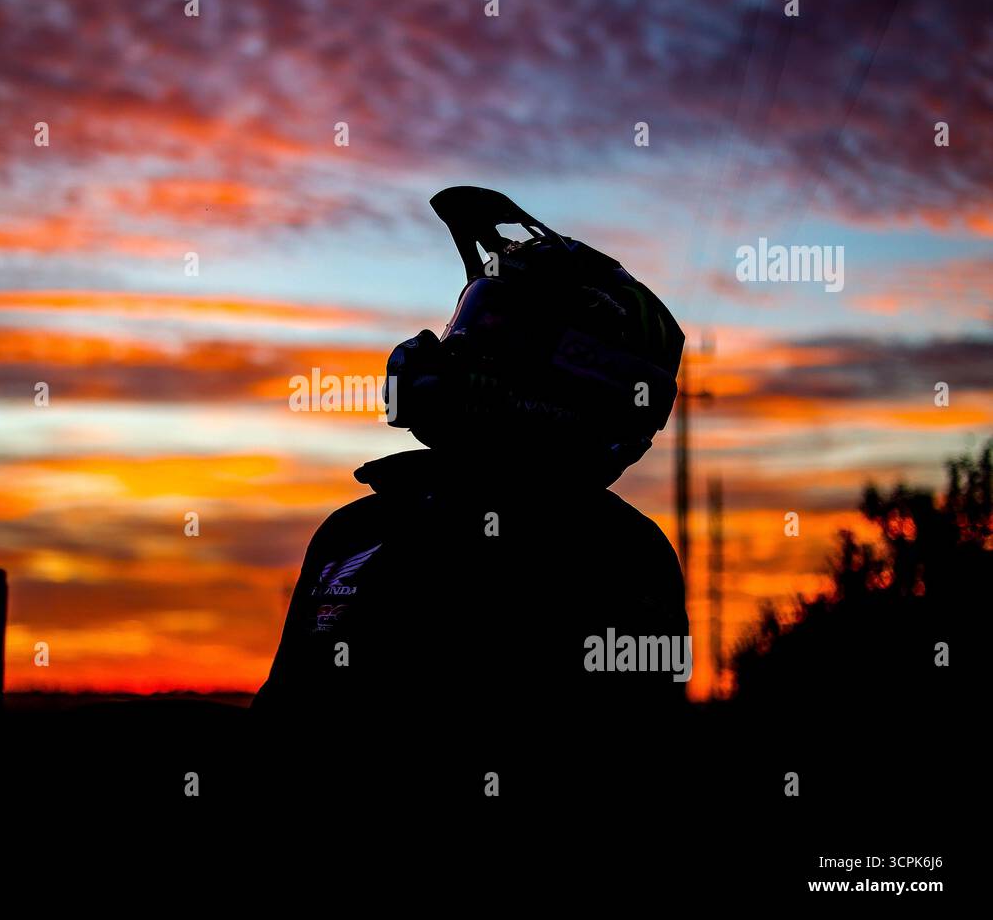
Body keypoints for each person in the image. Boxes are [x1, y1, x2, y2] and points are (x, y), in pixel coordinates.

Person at [251, 186, 689, 801]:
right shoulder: (355, 531)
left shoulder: (615, 556)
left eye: (495, 329)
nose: (450, 345)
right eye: (468, 317)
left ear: (580, 376)